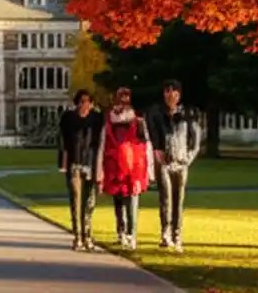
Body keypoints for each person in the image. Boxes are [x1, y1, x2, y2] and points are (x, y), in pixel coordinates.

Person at [146, 79, 201, 252]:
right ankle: (165, 233)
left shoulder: (187, 115)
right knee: (165, 199)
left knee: (179, 200)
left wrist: (188, 158)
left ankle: (177, 235)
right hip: (165, 163)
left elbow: (196, 141)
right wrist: (156, 150)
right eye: (167, 91)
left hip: (181, 163)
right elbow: (152, 133)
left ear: (179, 94)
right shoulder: (157, 113)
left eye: (174, 91)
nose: (170, 95)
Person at [99, 87, 151, 250]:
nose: (124, 100)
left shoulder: (137, 119)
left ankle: (131, 233)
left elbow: (145, 143)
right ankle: (122, 231)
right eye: (121, 97)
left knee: (132, 200)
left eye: (126, 97)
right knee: (119, 201)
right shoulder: (111, 118)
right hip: (115, 163)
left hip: (132, 165)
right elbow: (104, 141)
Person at [57, 89, 105, 252]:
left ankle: (88, 235)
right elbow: (62, 141)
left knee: (89, 202)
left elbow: (101, 141)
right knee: (76, 201)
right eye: (82, 101)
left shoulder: (96, 119)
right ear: (77, 102)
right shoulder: (68, 118)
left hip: (90, 165)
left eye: (88, 101)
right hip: (74, 164)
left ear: (92, 104)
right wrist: (63, 163)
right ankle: (78, 235)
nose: (85, 104)